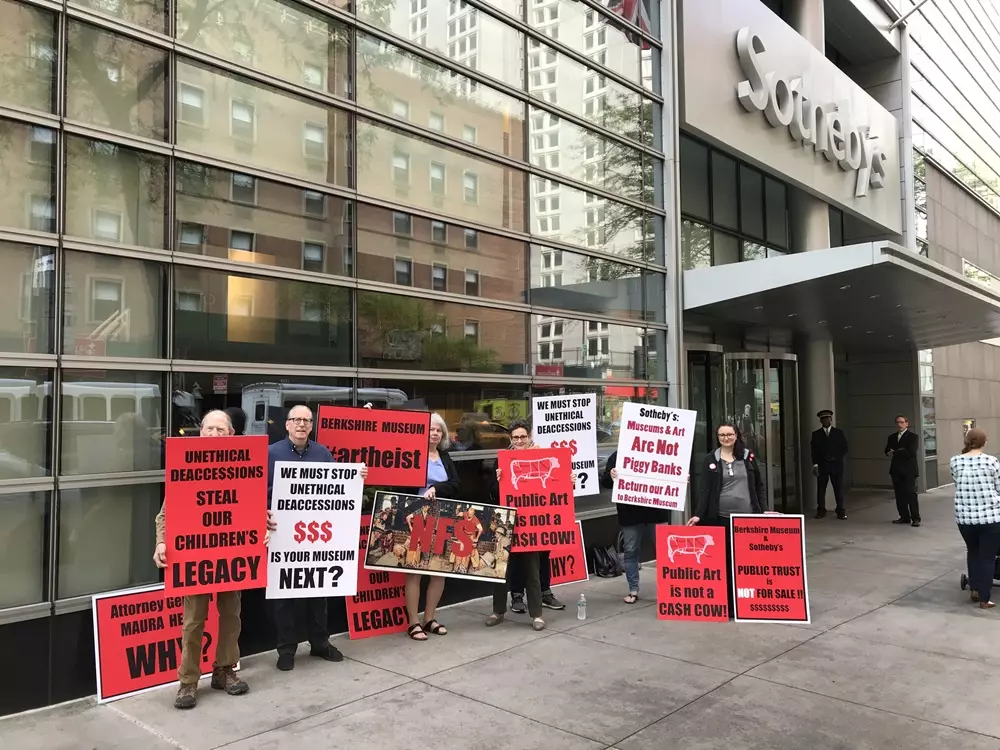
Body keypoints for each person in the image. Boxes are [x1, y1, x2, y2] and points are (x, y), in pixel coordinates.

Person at [152, 410, 277, 710]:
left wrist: (264, 522)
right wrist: (160, 542)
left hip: (231, 557)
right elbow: (166, 514)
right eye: (210, 428)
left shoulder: (244, 464)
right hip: (196, 558)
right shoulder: (186, 465)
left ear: (232, 434)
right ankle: (188, 682)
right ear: (200, 432)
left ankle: (225, 670)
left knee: (231, 616)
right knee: (194, 621)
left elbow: (251, 507)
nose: (215, 434)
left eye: (221, 429)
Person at [267, 404, 368, 671]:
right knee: (284, 596)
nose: (301, 424)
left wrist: (357, 478)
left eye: (307, 421)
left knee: (318, 592)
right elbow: (260, 492)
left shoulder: (322, 453)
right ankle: (286, 649)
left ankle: (320, 643)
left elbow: (336, 488)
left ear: (312, 426)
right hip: (283, 535)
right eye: (296, 420)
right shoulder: (271, 454)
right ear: (287, 424)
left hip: (318, 537)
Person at [687, 422, 773, 617]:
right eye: (721, 435)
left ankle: (747, 602)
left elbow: (759, 486)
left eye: (729, 434)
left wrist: (764, 510)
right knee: (724, 562)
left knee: (745, 562)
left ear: (737, 435)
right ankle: (728, 604)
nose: (726, 438)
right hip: (720, 518)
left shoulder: (748, 457)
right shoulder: (711, 459)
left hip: (747, 520)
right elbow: (705, 490)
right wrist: (699, 514)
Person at [403, 412, 462, 641]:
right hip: (415, 517)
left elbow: (456, 485)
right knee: (415, 571)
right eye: (431, 429)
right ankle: (413, 622)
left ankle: (429, 618)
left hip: (443, 517)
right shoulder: (412, 455)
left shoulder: (445, 457)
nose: (435, 433)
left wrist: (438, 489)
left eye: (439, 430)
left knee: (438, 571)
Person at [486, 418, 547, 630]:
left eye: (523, 436)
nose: (519, 441)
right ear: (510, 439)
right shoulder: (502, 459)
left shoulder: (541, 456)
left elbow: (553, 486)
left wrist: (570, 479)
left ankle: (537, 614)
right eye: (515, 437)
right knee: (501, 567)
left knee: (532, 568)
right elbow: (493, 492)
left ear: (529, 437)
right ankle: (498, 610)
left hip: (531, 522)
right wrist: (498, 479)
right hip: (507, 521)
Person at [601, 450, 669, 603]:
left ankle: (668, 590)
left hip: (656, 511)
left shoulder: (658, 451)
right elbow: (605, 482)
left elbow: (671, 473)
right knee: (630, 551)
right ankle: (633, 590)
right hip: (630, 513)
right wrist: (611, 475)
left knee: (665, 552)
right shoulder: (617, 455)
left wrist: (680, 480)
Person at [951, 428, 1000, 608]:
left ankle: (975, 589)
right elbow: (998, 487)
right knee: (988, 557)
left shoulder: (955, 461)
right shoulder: (991, 461)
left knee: (973, 552)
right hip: (990, 517)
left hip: (965, 518)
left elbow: (958, 484)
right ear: (984, 442)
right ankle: (985, 599)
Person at [811, 409, 849, 519]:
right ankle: (821, 511)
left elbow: (844, 448)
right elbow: (813, 450)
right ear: (821, 421)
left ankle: (840, 511)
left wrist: (835, 457)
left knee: (838, 489)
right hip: (822, 465)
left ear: (831, 419)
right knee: (821, 490)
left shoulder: (838, 433)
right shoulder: (816, 434)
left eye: (827, 418)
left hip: (836, 465)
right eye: (823, 419)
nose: (826, 421)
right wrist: (815, 464)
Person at [885, 415, 921, 527]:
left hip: (909, 470)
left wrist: (896, 452)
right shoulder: (891, 437)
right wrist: (893, 452)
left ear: (906, 423)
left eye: (901, 422)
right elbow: (887, 450)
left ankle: (915, 518)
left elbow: (911, 452)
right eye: (897, 422)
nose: (899, 425)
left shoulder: (913, 437)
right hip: (896, 470)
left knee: (910, 494)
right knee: (899, 495)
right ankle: (904, 516)